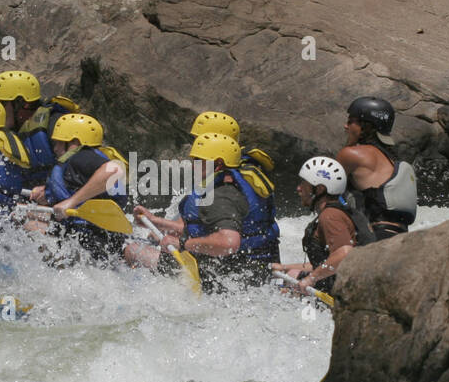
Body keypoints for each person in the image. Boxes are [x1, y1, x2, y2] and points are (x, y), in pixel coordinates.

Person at [126, 132, 280, 291]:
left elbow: (229, 243)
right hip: (244, 272)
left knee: (132, 249)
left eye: (199, 161)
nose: (193, 166)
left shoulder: (221, 197)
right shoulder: (233, 182)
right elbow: (206, 228)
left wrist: (182, 244)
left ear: (219, 165)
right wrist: (156, 221)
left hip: (218, 279)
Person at [27, 113, 131, 263]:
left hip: (90, 240)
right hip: (93, 238)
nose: (55, 148)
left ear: (74, 141)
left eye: (58, 142)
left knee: (24, 225)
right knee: (25, 216)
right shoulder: (82, 160)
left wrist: (71, 202)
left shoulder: (81, 156)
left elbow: (114, 170)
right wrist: (47, 192)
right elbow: (79, 185)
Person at [271, 156, 372, 295]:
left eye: (304, 184)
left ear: (319, 189)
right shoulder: (341, 210)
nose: (298, 188)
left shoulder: (330, 216)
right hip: (352, 285)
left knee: (289, 282)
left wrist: (310, 279)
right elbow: (325, 264)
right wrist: (284, 267)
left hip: (348, 292)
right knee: (291, 273)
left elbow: (344, 254)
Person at [336, 96, 417, 239]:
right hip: (401, 237)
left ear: (366, 126)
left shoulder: (351, 154)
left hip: (374, 237)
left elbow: (323, 187)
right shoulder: (392, 160)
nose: (345, 126)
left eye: (350, 122)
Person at [0, 70, 79, 185]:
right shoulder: (8, 133)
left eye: (1, 104)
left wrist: (49, 190)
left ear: (22, 104)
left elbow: (78, 166)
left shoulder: (56, 123)